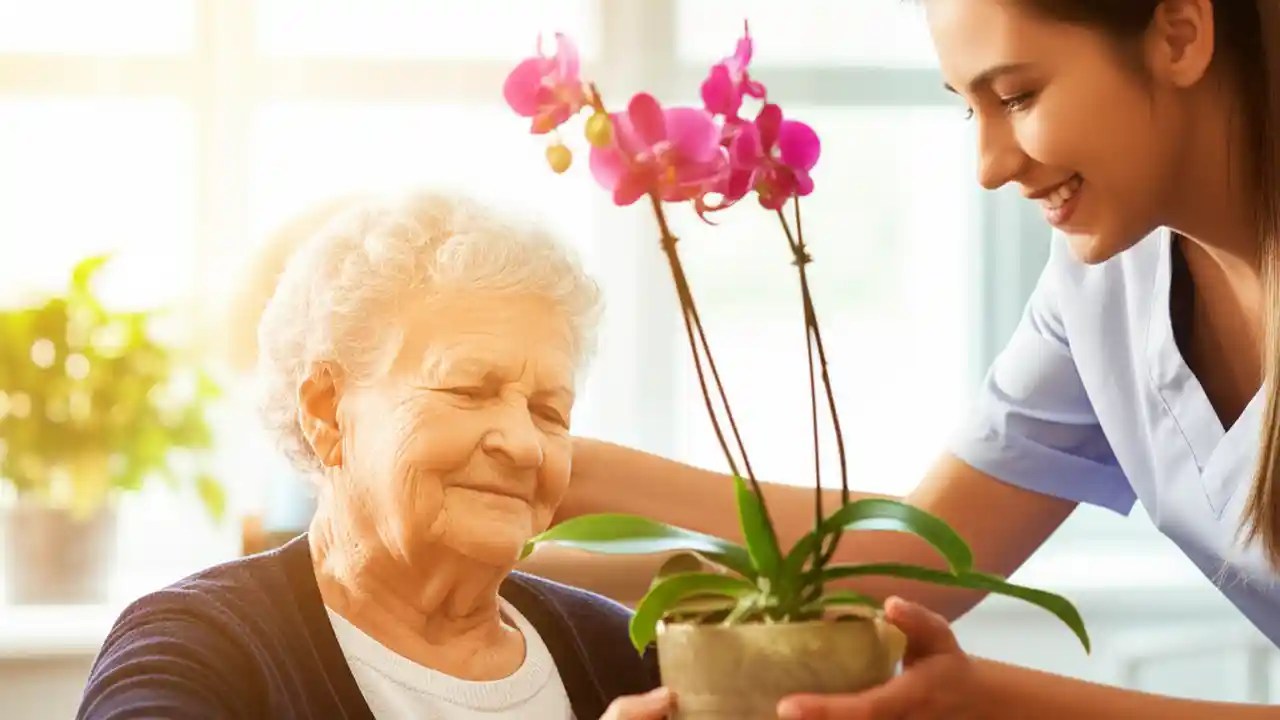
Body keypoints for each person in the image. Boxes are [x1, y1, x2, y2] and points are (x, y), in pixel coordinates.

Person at [525, 0, 1280, 717]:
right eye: (967, 106)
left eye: (1016, 97)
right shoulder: (1106, 287)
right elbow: (900, 555)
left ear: (1180, 35)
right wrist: (545, 490)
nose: (986, 166)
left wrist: (994, 704)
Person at [77, 190, 673, 720]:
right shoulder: (197, 649)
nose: (522, 445)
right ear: (327, 412)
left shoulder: (626, 652)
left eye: (550, 412)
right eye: (468, 390)